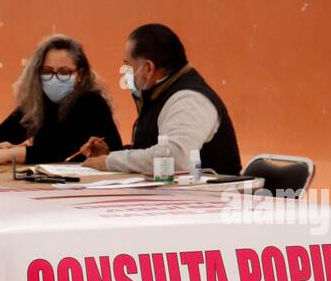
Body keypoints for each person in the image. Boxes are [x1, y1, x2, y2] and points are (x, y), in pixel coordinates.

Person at [81, 23, 241, 175]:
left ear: (148, 68)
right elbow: (152, 149)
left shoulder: (189, 99)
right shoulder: (159, 94)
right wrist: (111, 154)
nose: (125, 73)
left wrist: (111, 162)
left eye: (128, 66)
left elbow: (175, 158)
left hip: (212, 198)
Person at [0, 34, 121, 166]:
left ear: (80, 75)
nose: (54, 78)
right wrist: (2, 147)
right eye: (47, 71)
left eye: (64, 72)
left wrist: (13, 154)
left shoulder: (90, 101)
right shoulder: (39, 103)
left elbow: (58, 150)